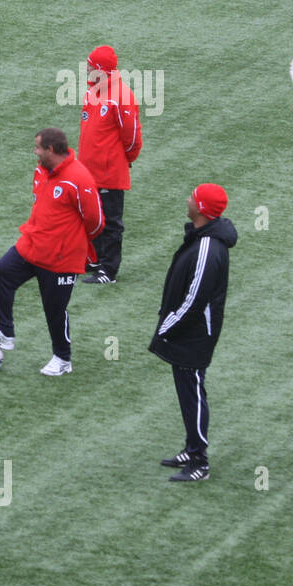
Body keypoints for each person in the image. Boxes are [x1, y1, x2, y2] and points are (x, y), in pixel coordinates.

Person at [0, 128, 104, 375]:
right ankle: (3, 331)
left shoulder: (79, 178)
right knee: (1, 272)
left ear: (50, 150)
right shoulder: (41, 170)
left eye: (37, 147)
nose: (35, 152)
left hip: (61, 257)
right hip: (31, 246)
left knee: (54, 309)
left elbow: (96, 221)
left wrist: (70, 241)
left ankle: (63, 359)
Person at [150, 184, 236, 482]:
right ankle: (192, 446)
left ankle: (199, 461)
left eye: (192, 196)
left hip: (194, 332)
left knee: (193, 392)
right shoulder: (203, 238)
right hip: (191, 329)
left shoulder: (207, 247)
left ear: (200, 208)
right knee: (187, 390)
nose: (187, 199)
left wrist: (167, 326)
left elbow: (195, 297)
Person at [77, 45, 142, 284]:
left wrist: (125, 159)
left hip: (109, 171)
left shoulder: (122, 96)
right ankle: (94, 260)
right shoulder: (92, 91)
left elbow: (132, 135)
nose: (86, 69)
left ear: (101, 70)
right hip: (89, 171)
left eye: (90, 66)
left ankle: (108, 270)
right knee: (91, 217)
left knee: (111, 222)